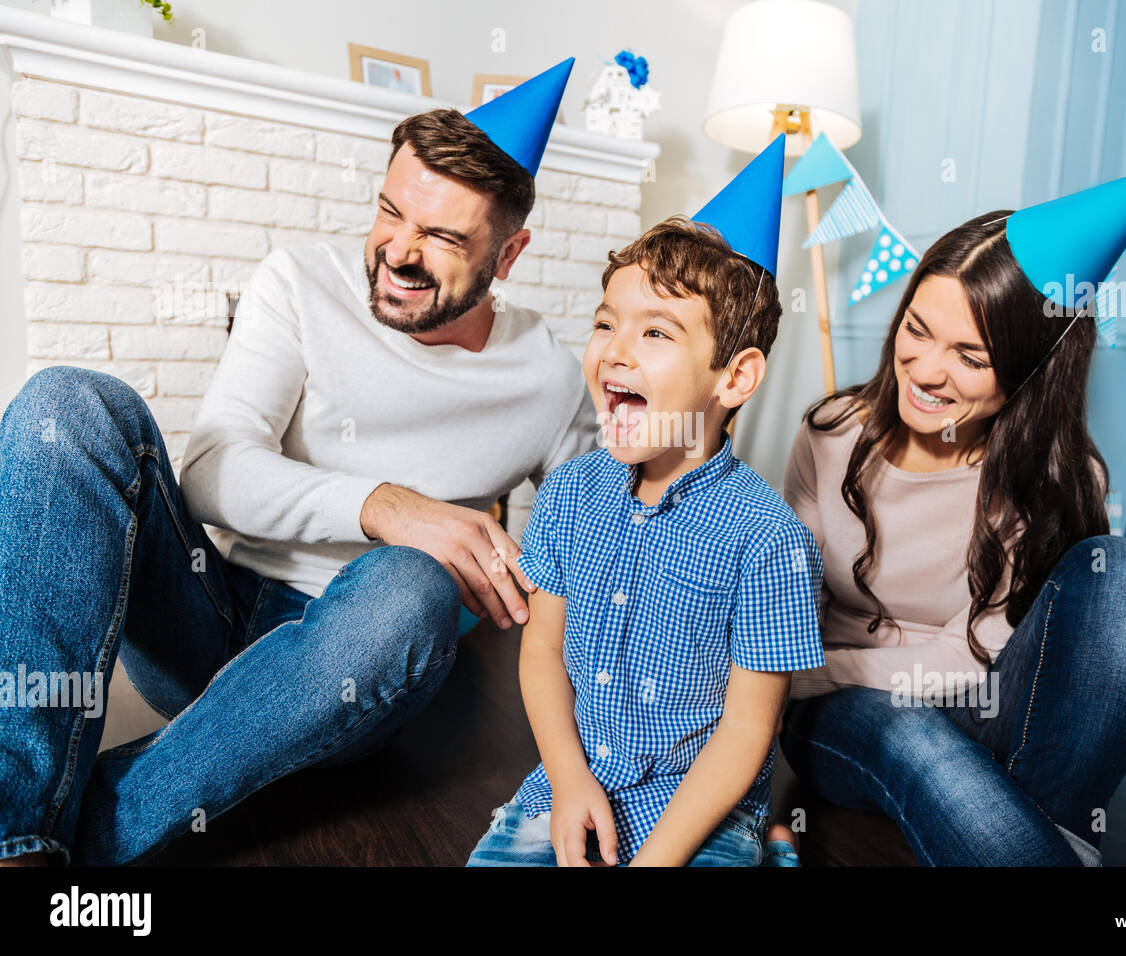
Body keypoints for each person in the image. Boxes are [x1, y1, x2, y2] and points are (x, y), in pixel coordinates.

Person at [0, 59, 597, 866]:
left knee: (413, 582)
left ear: (510, 252)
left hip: (353, 671)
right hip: (214, 615)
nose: (400, 251)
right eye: (391, 211)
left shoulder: (550, 379)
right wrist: (387, 504)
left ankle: (46, 845)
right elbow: (211, 471)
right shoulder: (300, 282)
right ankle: (18, 820)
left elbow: (596, 556)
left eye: (445, 238)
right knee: (65, 403)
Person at [777, 164, 1126, 865]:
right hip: (843, 711)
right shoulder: (830, 432)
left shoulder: (1055, 477)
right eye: (917, 329)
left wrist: (822, 668)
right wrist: (801, 680)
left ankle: (1033, 831)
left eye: (970, 355)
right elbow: (783, 608)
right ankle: (1041, 836)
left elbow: (981, 655)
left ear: (1028, 372)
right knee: (910, 736)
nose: (927, 370)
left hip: (974, 694)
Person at [466, 138, 823, 867]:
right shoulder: (568, 492)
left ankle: (773, 853)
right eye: (606, 323)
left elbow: (747, 731)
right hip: (569, 789)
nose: (615, 351)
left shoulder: (770, 540)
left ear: (734, 376)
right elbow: (542, 648)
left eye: (655, 332)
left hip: (700, 816)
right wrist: (567, 781)